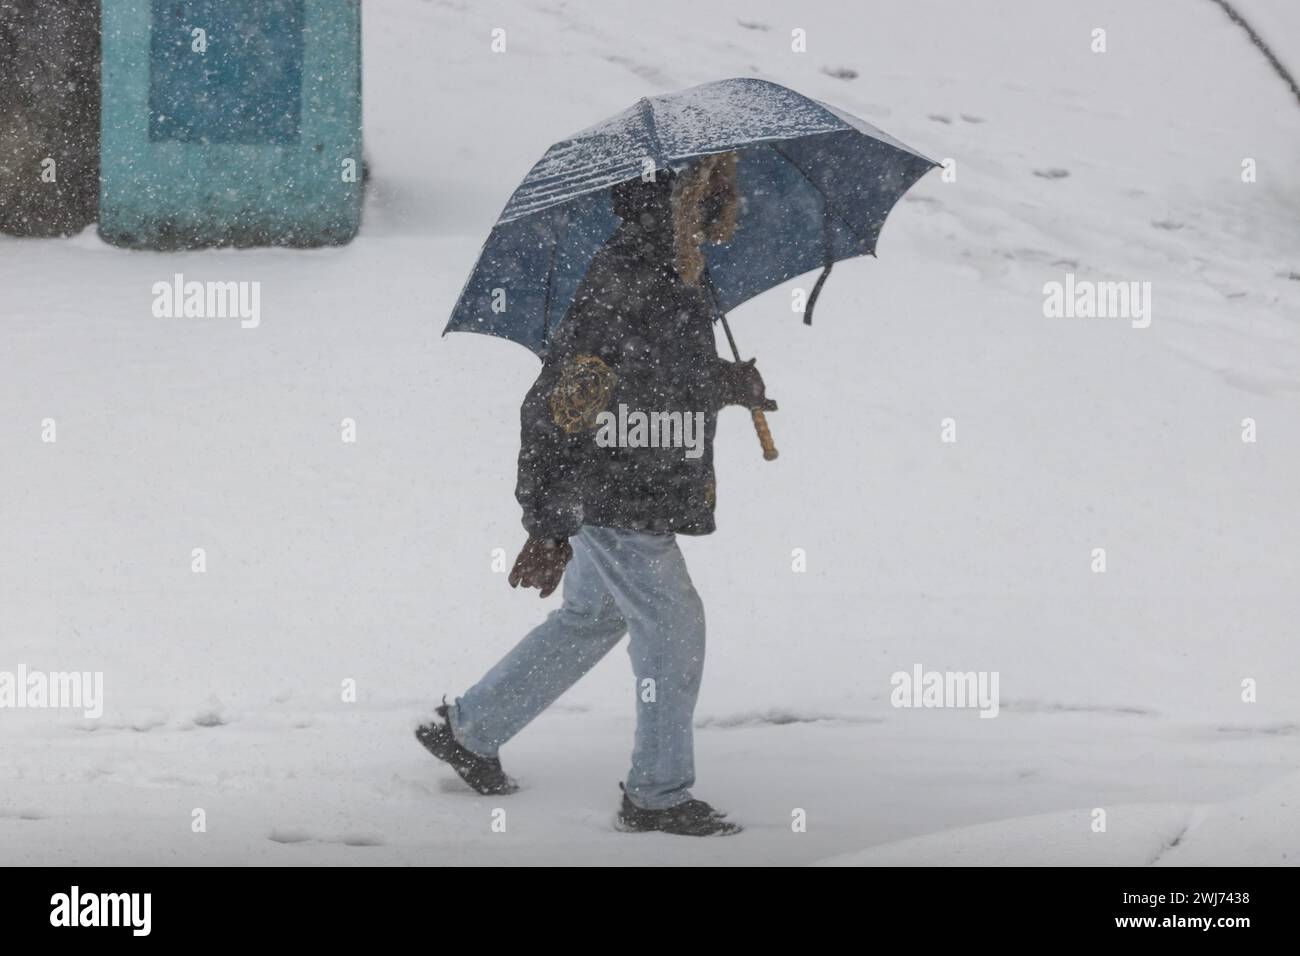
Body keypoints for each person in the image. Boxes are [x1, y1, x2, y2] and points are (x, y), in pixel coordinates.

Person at [416, 154, 775, 836]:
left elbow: (660, 377)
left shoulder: (677, 277)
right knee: (673, 628)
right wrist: (548, 527)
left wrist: (728, 384)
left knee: (595, 617)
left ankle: (471, 730)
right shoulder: (628, 278)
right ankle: (658, 795)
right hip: (614, 493)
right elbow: (556, 407)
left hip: (635, 485)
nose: (725, 203)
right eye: (712, 190)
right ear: (675, 202)